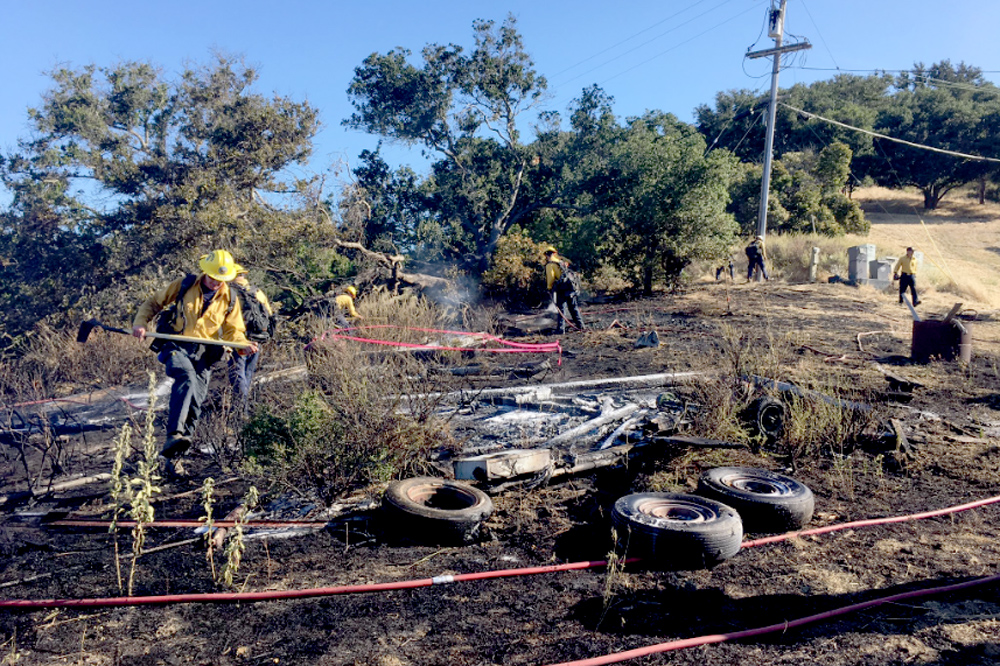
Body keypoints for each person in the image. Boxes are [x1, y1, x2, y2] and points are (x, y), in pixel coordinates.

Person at [132, 250, 257, 475]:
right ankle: (174, 435)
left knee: (196, 402)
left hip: (205, 353)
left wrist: (242, 344)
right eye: (212, 278)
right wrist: (141, 324)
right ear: (204, 273)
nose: (216, 283)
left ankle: (174, 460)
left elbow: (234, 331)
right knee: (186, 378)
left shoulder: (230, 297)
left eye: (221, 280)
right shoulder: (185, 285)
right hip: (176, 345)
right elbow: (153, 303)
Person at [227, 264, 274, 404]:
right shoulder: (257, 292)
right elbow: (269, 314)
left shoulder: (229, 292)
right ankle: (244, 407)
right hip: (257, 337)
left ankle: (240, 409)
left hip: (238, 338)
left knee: (237, 373)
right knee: (247, 373)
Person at [543, 246, 585, 334]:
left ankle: (561, 330)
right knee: (574, 308)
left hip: (562, 289)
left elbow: (550, 278)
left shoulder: (550, 264)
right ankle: (581, 326)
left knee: (561, 309)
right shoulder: (561, 262)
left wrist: (549, 288)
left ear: (546, 255)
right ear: (555, 253)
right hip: (571, 288)